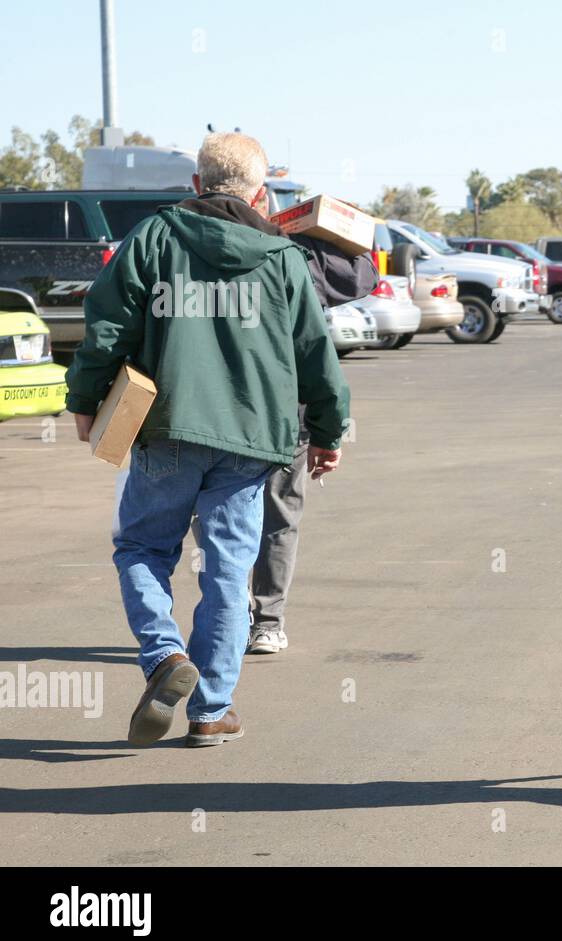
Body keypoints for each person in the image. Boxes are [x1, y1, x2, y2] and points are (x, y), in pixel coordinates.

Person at [64, 132, 350, 748]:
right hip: (251, 440)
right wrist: (329, 430)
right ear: (261, 193)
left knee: (142, 547)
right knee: (228, 569)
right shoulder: (283, 258)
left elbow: (106, 325)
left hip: (165, 428)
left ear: (195, 184)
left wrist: (84, 401)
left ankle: (166, 655)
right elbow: (315, 354)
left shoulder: (154, 238)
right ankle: (212, 710)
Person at [244, 191, 378, 655]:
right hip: (289, 411)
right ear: (262, 197)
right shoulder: (298, 254)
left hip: (222, 408)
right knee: (278, 515)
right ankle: (267, 621)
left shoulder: (188, 244)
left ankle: (230, 616)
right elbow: (363, 276)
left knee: (219, 517)